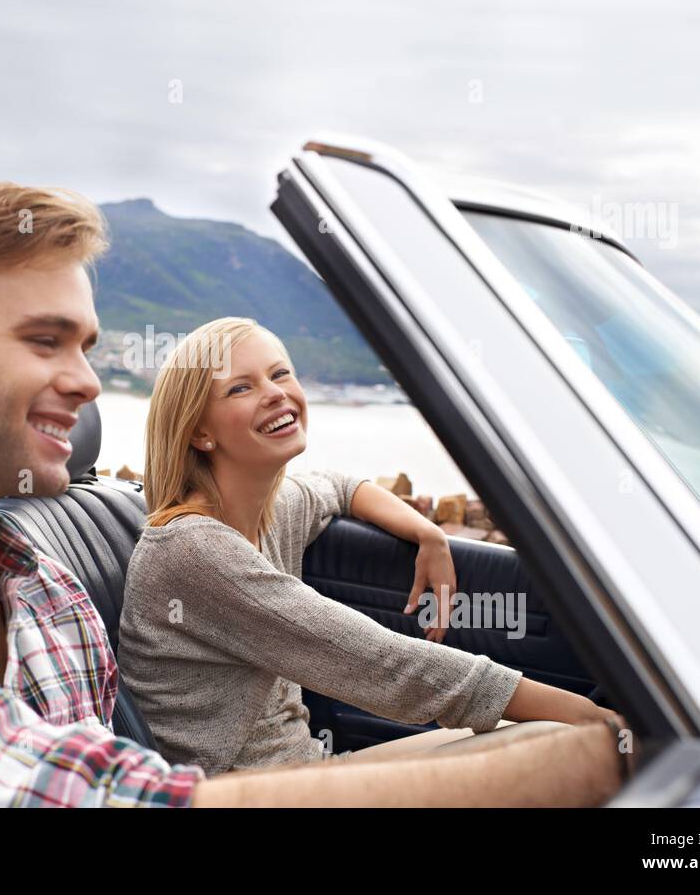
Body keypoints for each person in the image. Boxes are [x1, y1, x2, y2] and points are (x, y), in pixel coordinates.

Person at [0, 182, 631, 807]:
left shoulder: (51, 601)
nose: (86, 381)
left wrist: (584, 744)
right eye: (45, 341)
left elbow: (168, 786)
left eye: (86, 345)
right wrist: (569, 761)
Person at [119, 316, 627, 782]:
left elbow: (338, 487)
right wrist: (591, 713)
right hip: (242, 792)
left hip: (308, 772)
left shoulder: (270, 510)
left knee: (556, 743)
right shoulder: (192, 551)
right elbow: (378, 662)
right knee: (566, 743)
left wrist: (427, 533)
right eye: (241, 388)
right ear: (200, 432)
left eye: (281, 374)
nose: (275, 393)